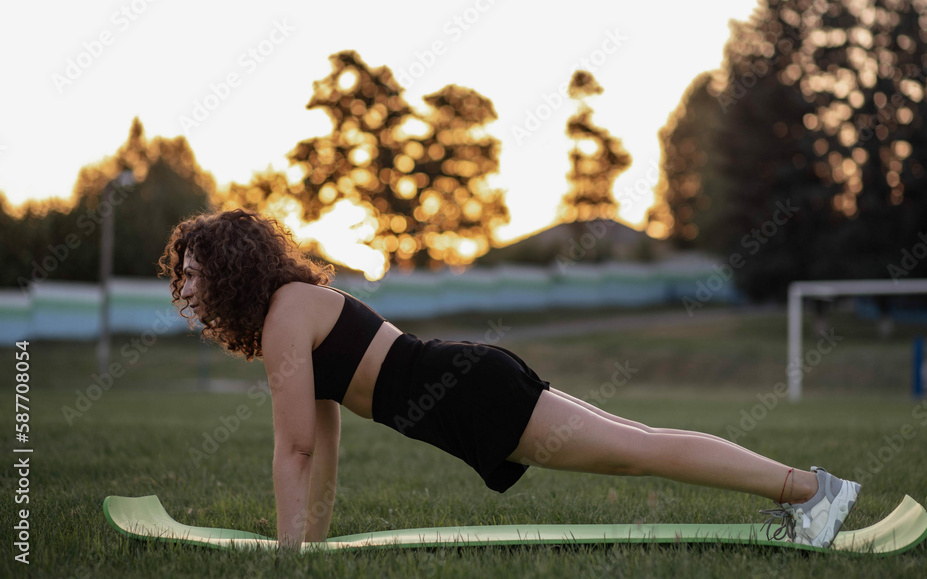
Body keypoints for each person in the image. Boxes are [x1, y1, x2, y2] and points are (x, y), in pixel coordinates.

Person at [158, 208, 861, 551]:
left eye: (193, 271)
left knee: (641, 448)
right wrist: (307, 547)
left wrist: (286, 562)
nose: (186, 285)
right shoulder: (295, 308)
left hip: (469, 391)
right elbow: (323, 440)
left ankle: (811, 492)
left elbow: (294, 450)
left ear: (230, 268)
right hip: (468, 379)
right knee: (642, 439)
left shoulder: (285, 313)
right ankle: (810, 493)